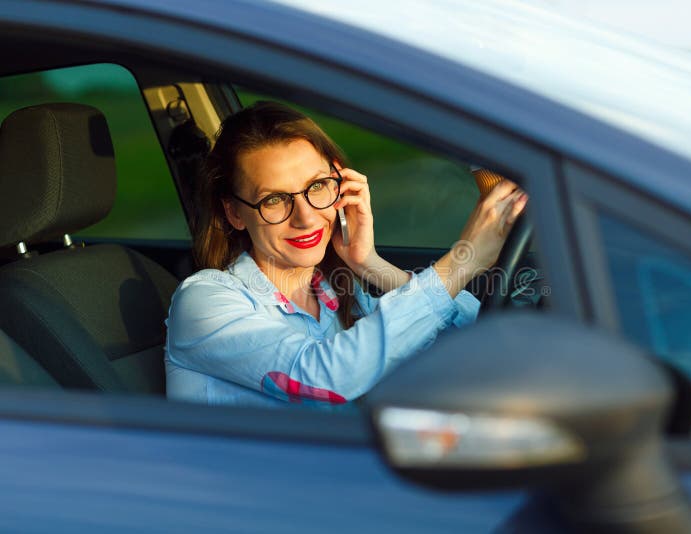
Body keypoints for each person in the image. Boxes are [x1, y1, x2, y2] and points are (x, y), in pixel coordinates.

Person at [164, 101, 528, 407]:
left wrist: (369, 263)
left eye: (317, 186)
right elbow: (326, 378)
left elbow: (475, 338)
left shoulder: (336, 296)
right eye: (274, 199)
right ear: (233, 213)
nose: (305, 217)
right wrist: (462, 262)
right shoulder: (204, 301)